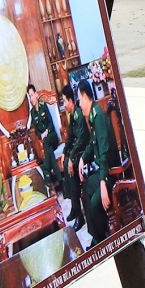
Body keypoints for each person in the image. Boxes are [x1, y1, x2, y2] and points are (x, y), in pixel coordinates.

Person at [78, 83, 113, 243]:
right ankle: (96, 237)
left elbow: (104, 151)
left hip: (109, 171)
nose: (79, 104)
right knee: (85, 191)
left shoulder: (97, 116)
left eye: (79, 99)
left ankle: (102, 239)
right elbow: (93, 145)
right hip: (102, 170)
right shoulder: (92, 115)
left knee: (93, 203)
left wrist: (103, 183)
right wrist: (82, 159)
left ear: (85, 96)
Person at [60, 86, 88, 230]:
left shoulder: (78, 114)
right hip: (78, 151)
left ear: (71, 100)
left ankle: (78, 213)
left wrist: (71, 157)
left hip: (85, 152)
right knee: (65, 163)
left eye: (64, 101)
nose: (63, 104)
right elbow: (70, 137)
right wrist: (65, 152)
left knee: (70, 165)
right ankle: (75, 208)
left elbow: (82, 139)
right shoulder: (71, 115)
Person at [25, 84, 61, 191]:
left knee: (47, 142)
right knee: (48, 149)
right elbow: (36, 131)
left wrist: (46, 132)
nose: (31, 98)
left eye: (32, 95)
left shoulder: (43, 105)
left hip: (53, 137)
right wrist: (41, 134)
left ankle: (46, 171)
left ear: (36, 94)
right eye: (29, 96)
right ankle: (60, 180)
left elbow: (50, 123)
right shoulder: (32, 113)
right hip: (46, 142)